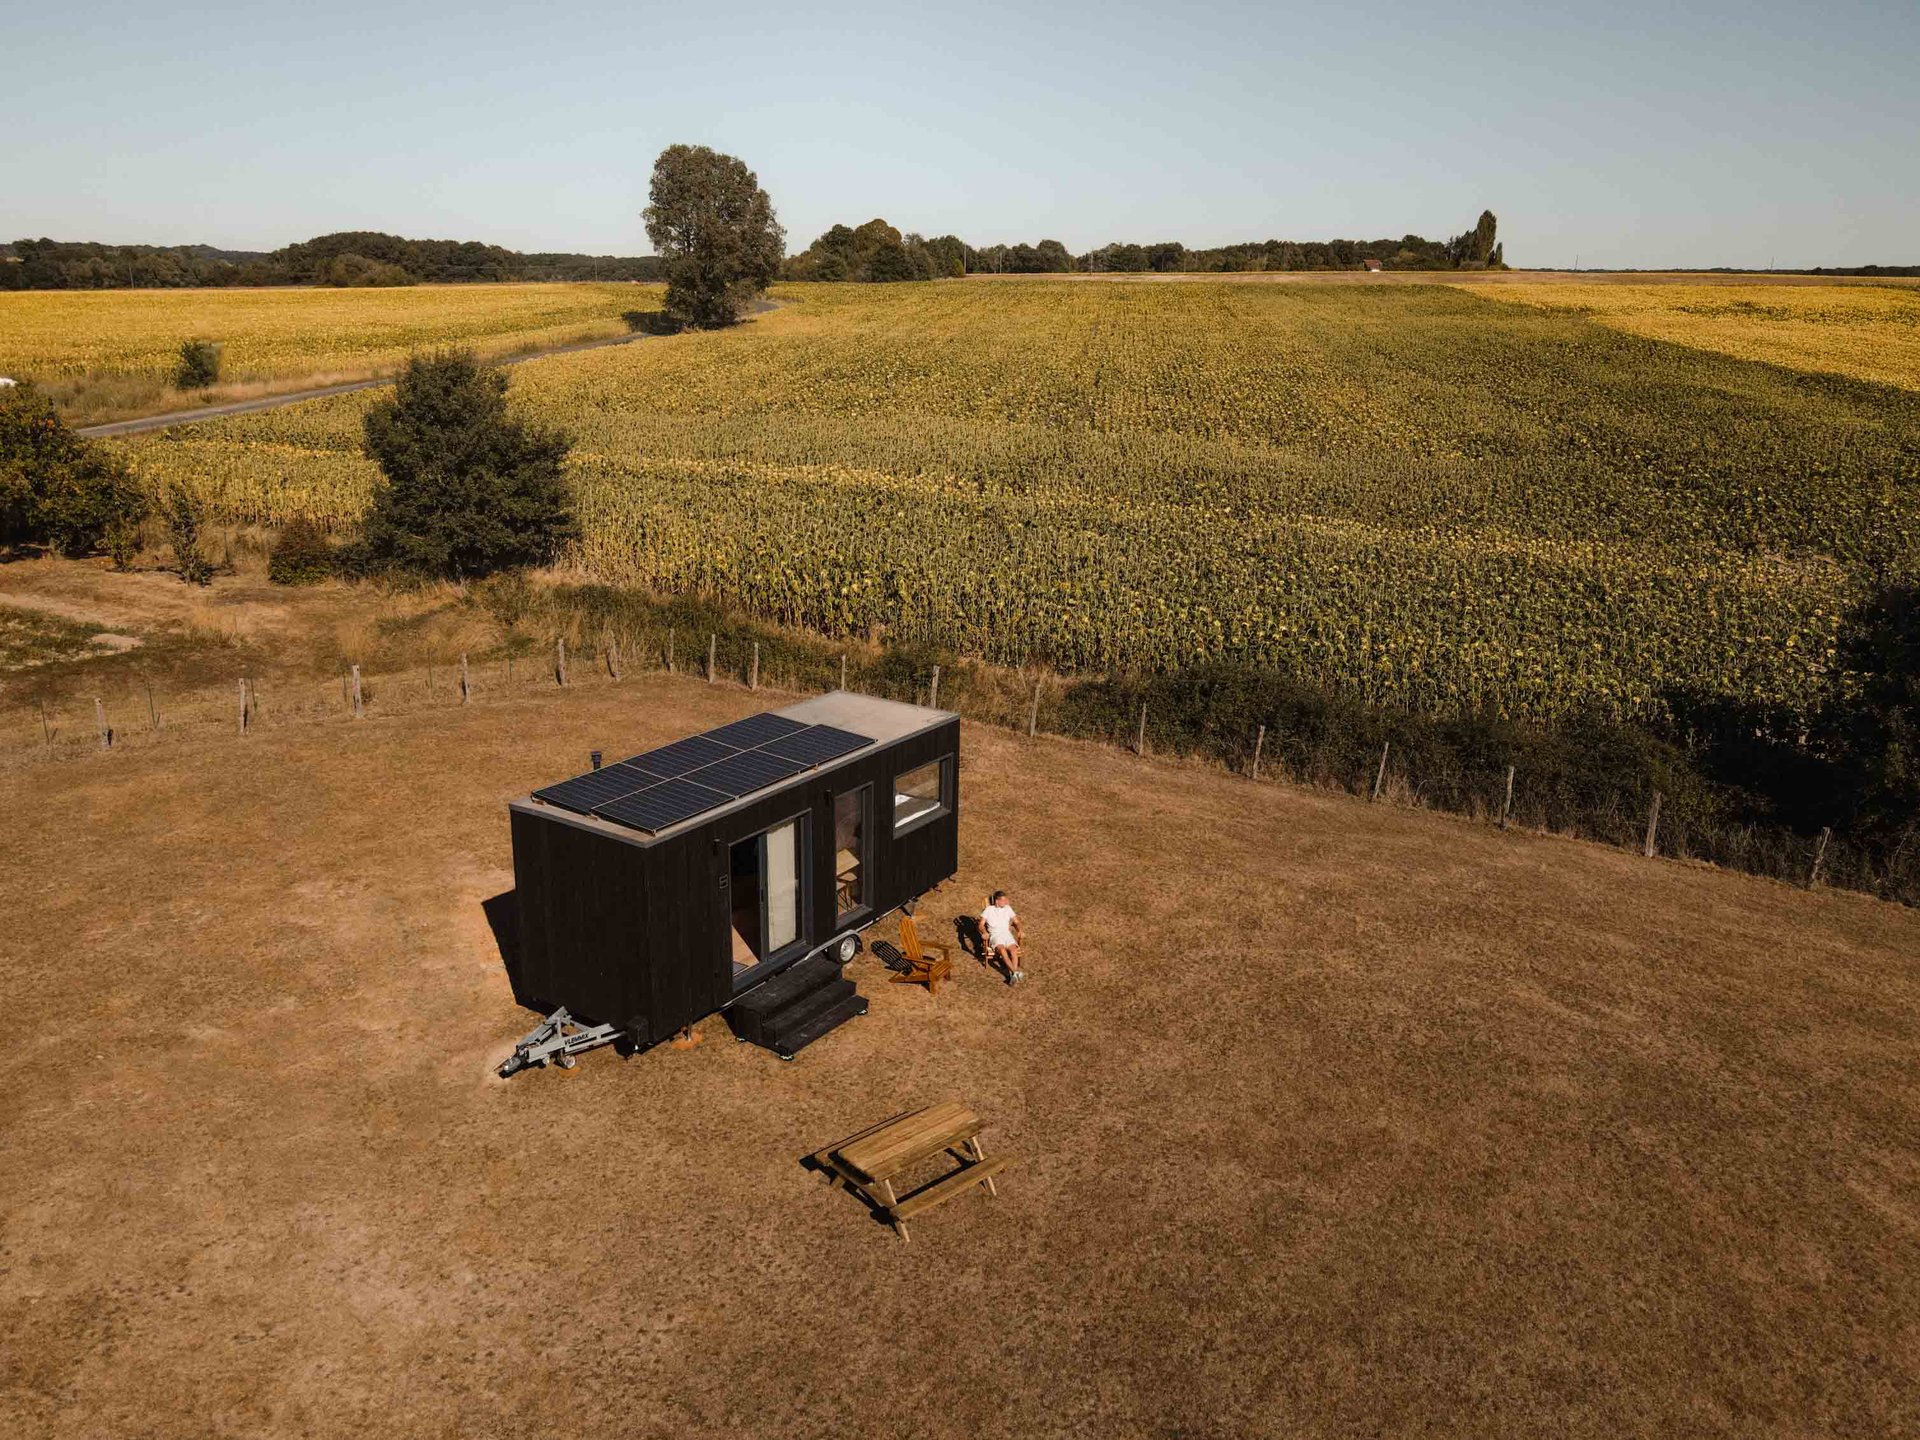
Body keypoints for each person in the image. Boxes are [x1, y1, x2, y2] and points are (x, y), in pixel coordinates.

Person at [980, 890, 1025, 985]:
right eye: (1004, 900)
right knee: (1002, 951)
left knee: (1013, 950)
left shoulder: (1008, 908)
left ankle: (1014, 974)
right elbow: (981, 925)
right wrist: (984, 932)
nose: (1006, 902)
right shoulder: (988, 910)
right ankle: (1015, 972)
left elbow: (1017, 922)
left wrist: (1020, 930)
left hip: (1007, 934)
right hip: (995, 935)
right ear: (997, 901)